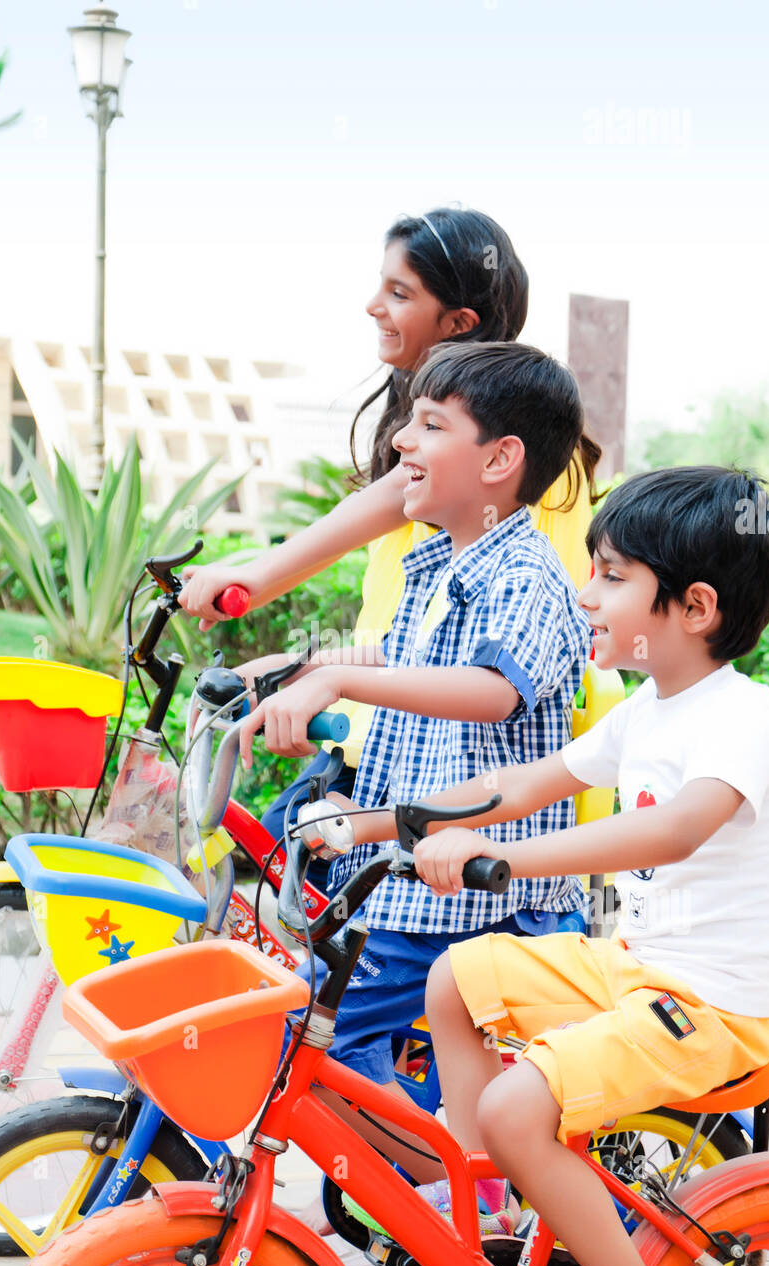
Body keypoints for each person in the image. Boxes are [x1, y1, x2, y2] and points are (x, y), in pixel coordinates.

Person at [401, 465, 769, 1266]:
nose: (583, 594)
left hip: (720, 1010)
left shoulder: (745, 718)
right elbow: (530, 783)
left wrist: (493, 859)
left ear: (695, 607)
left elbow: (671, 829)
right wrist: (378, 820)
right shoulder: (646, 708)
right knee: (455, 978)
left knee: (512, 1110)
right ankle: (485, 1207)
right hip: (640, 971)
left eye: (610, 576)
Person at [238, 340, 593, 1194]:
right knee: (315, 1034)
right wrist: (301, 663)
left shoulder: (524, 575)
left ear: (500, 460)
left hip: (474, 895)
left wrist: (340, 673)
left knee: (306, 1039)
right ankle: (453, 1193)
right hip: (410, 883)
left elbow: (490, 690)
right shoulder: (442, 563)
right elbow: (400, 658)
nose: (401, 440)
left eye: (430, 425)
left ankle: (457, 1198)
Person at [178, 208, 599, 889]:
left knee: (303, 941)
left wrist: (252, 583)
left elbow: (498, 671)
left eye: (401, 293)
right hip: (384, 741)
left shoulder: (499, 484)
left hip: (436, 771)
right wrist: (303, 662)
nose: (374, 305)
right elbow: (415, 634)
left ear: (458, 324)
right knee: (284, 917)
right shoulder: (444, 464)